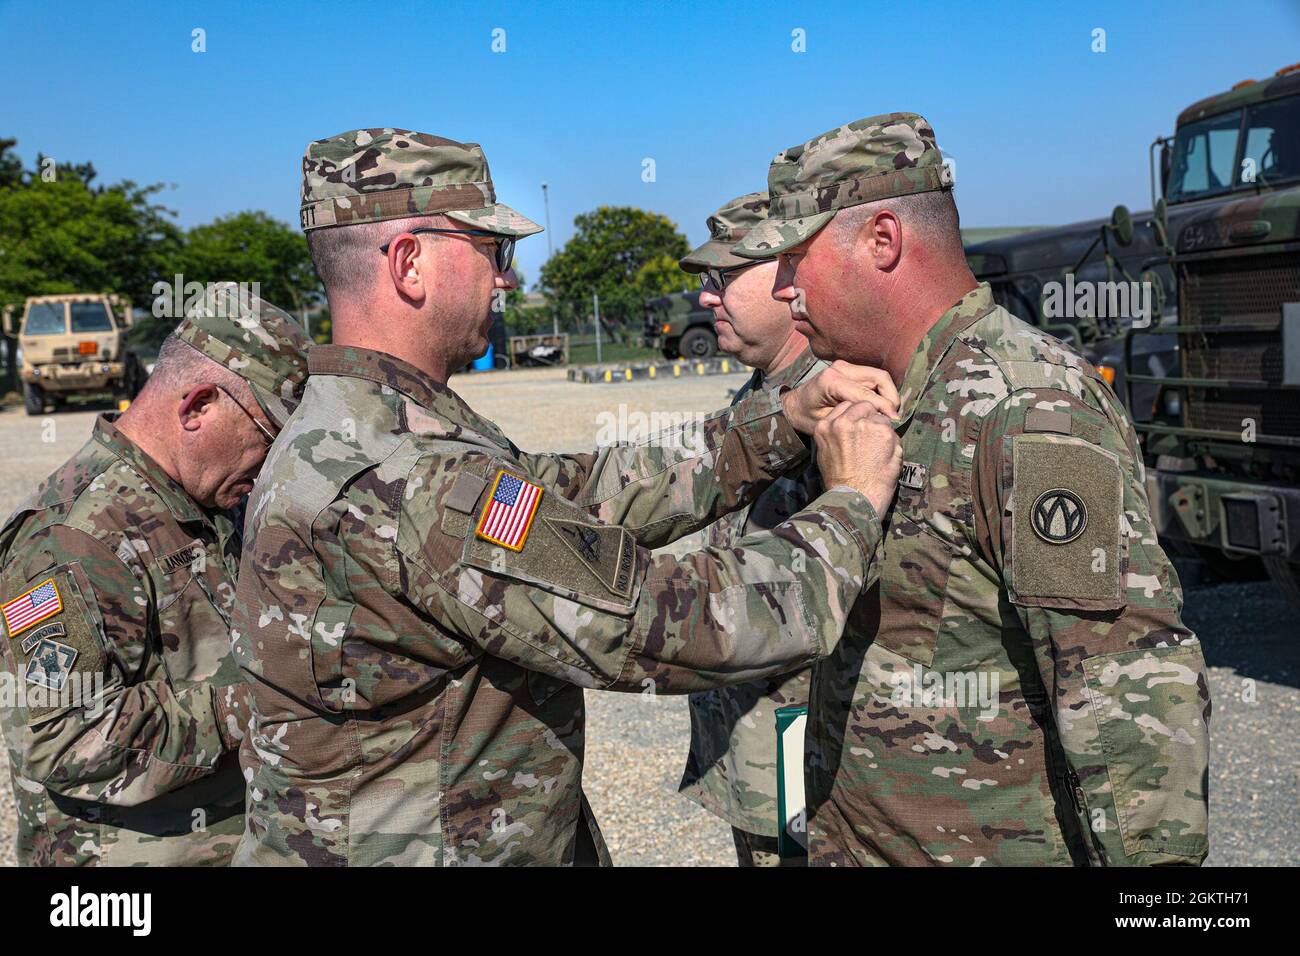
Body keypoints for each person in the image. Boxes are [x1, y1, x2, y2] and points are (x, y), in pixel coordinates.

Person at [231, 127, 902, 866]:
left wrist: (777, 421)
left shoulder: (357, 426)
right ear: (409, 261)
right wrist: (853, 504)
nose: (506, 280)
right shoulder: (411, 475)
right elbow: (668, 621)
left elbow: (575, 494)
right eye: (493, 252)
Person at [732, 112, 1211, 867]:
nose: (784, 289)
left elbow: (1125, 692)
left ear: (883, 241)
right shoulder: (873, 388)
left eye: (796, 258)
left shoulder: (1028, 410)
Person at [0, 284, 311, 865]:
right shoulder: (73, 539)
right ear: (197, 407)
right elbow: (61, 736)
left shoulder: (213, 500)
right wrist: (255, 705)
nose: (273, 461)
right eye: (268, 438)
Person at [674, 190, 826, 866]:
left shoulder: (839, 397)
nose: (707, 298)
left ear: (789, 272)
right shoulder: (765, 393)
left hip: (803, 742)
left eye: (723, 277)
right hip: (756, 741)